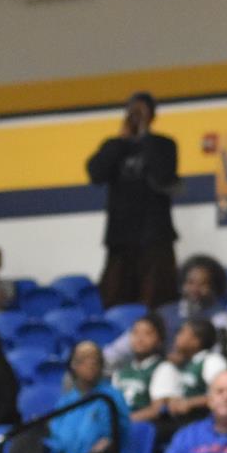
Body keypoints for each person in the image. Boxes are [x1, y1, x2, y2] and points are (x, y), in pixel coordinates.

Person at [88, 91, 181, 308]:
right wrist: (122, 140)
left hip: (155, 236)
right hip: (120, 237)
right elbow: (96, 174)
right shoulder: (113, 145)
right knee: (114, 297)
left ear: (152, 116)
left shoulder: (164, 144)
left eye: (142, 111)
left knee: (158, 298)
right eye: (133, 110)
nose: (136, 115)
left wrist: (145, 136)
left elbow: (164, 174)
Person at [150, 315, 227, 437]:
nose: (177, 337)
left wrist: (190, 403)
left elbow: (225, 393)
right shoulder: (186, 364)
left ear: (196, 341)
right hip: (186, 424)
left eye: (182, 333)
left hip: (207, 422)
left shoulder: (212, 360)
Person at [107, 315, 180, 423]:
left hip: (141, 429)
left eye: (148, 334)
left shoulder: (164, 368)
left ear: (159, 340)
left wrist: (123, 423)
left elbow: (156, 410)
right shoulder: (121, 371)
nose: (140, 339)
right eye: (135, 333)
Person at [161, 257, 227, 344]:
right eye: (190, 282)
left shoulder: (222, 320)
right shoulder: (165, 313)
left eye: (202, 284)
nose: (195, 289)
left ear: (214, 288)